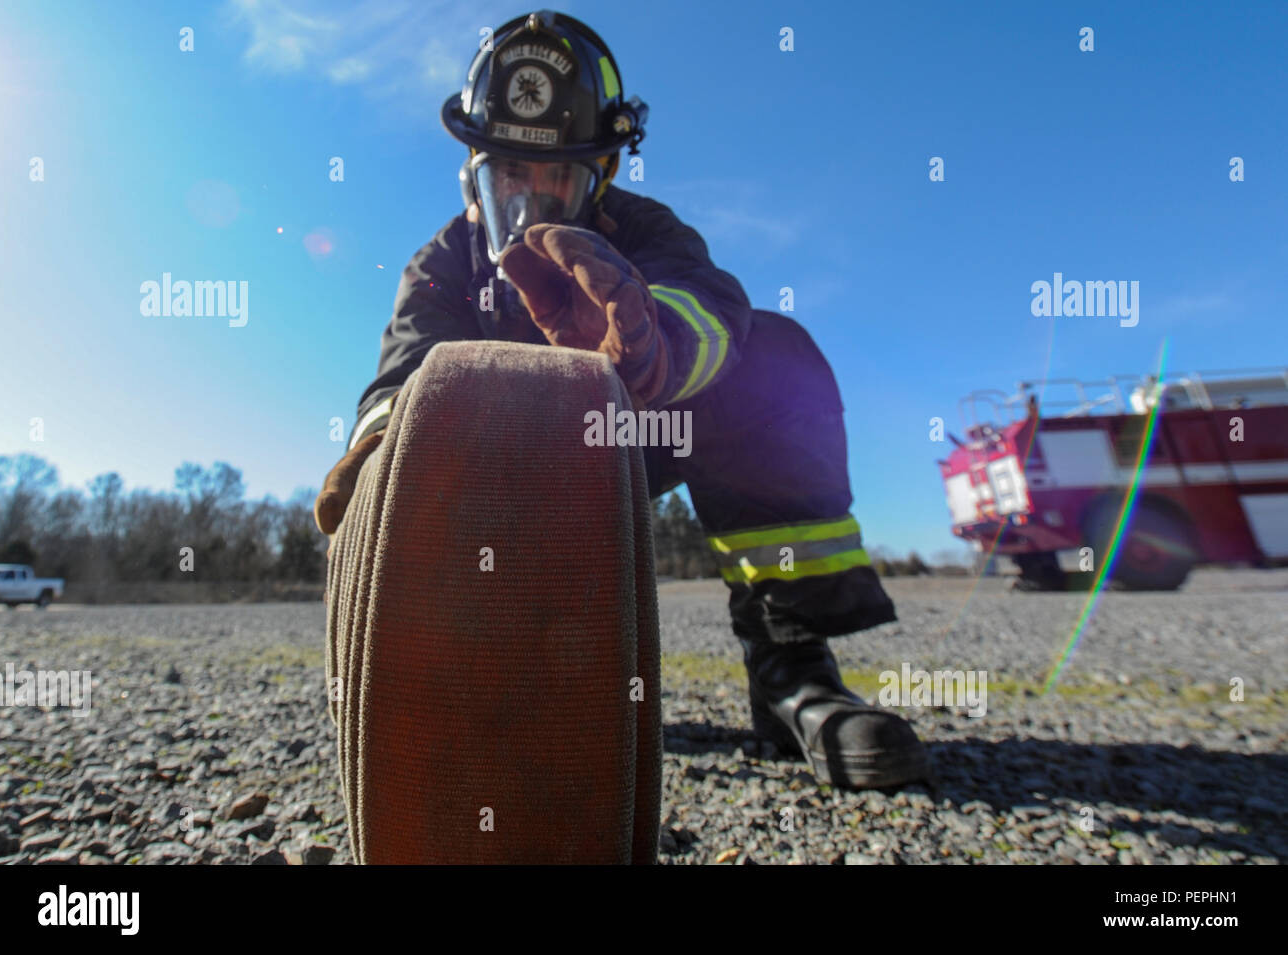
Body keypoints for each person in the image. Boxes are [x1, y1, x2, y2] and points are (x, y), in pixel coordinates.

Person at [314, 10, 930, 791]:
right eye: (511, 176)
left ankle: (792, 669)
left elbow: (718, 310)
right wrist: (385, 453)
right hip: (494, 483)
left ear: (601, 174)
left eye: (558, 180)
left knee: (774, 358)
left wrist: (652, 344)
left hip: (623, 438)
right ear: (473, 172)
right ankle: (465, 677)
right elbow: (398, 380)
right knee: (404, 475)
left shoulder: (644, 232)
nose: (533, 206)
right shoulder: (441, 265)